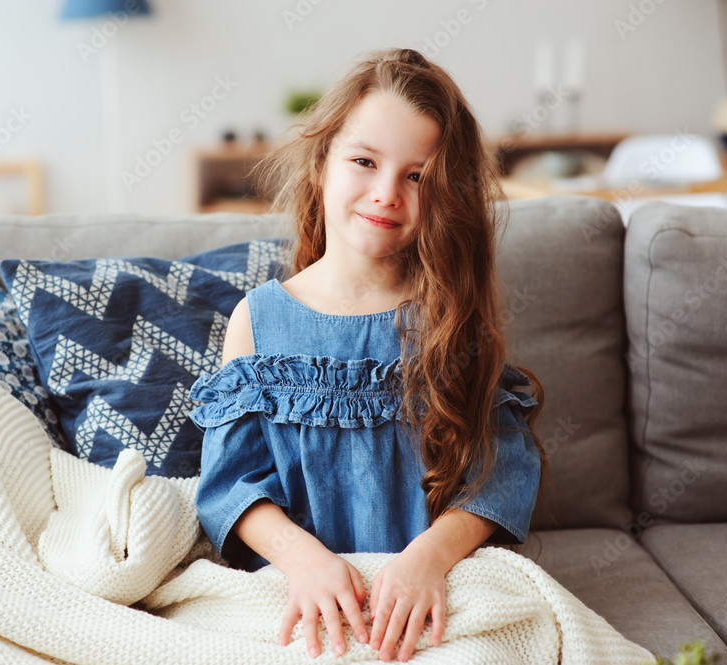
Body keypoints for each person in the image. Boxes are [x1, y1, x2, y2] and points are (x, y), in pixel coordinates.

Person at [186, 48, 546, 663]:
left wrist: (426, 560)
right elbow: (229, 487)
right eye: (364, 161)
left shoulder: (452, 320)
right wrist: (306, 563)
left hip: (429, 581)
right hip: (304, 584)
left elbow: (499, 478)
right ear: (322, 162)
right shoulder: (259, 319)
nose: (387, 194)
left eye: (417, 176)